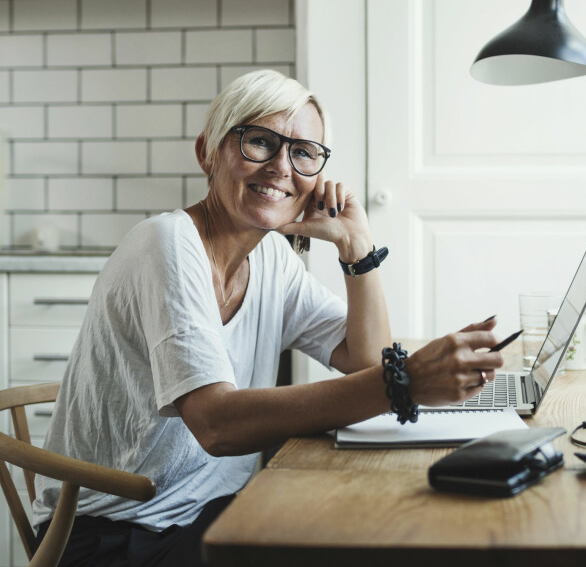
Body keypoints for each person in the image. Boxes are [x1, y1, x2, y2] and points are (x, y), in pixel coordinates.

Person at [32, 69, 504, 566]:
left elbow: (367, 361)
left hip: (209, 514)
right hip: (112, 532)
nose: (281, 166)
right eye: (259, 141)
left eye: (303, 153)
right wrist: (402, 383)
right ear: (207, 153)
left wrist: (356, 249)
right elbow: (216, 426)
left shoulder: (273, 260)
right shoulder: (166, 244)